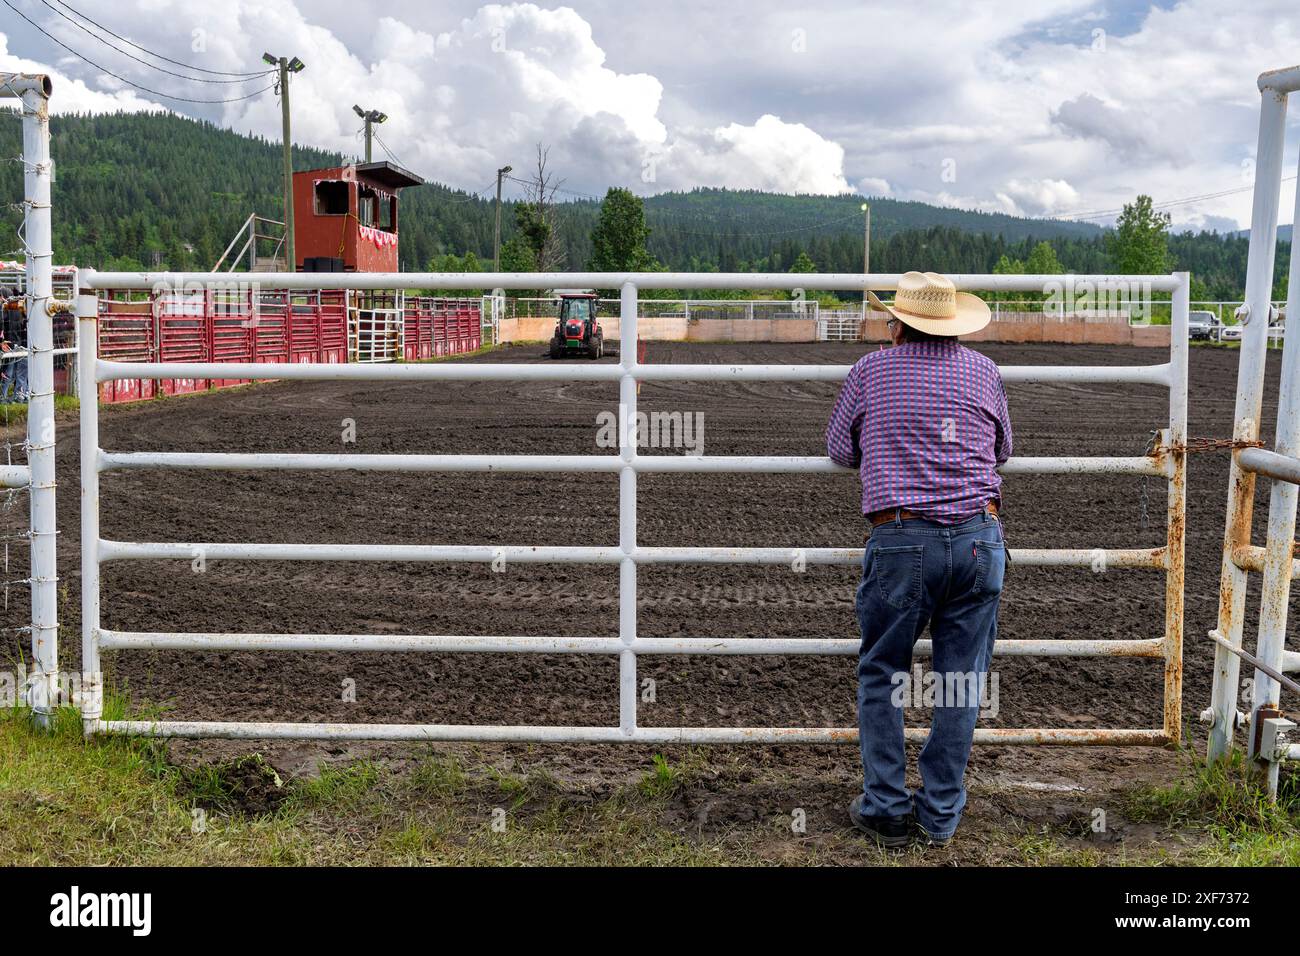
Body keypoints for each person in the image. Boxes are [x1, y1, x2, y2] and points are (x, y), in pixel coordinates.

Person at [825, 271, 1013, 849]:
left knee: (883, 672)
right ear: (953, 324)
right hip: (980, 540)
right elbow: (1003, 450)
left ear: (897, 324)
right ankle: (939, 816)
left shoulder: (870, 370)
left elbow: (838, 449)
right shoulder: (984, 372)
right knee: (960, 681)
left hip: (902, 542)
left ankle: (884, 805)